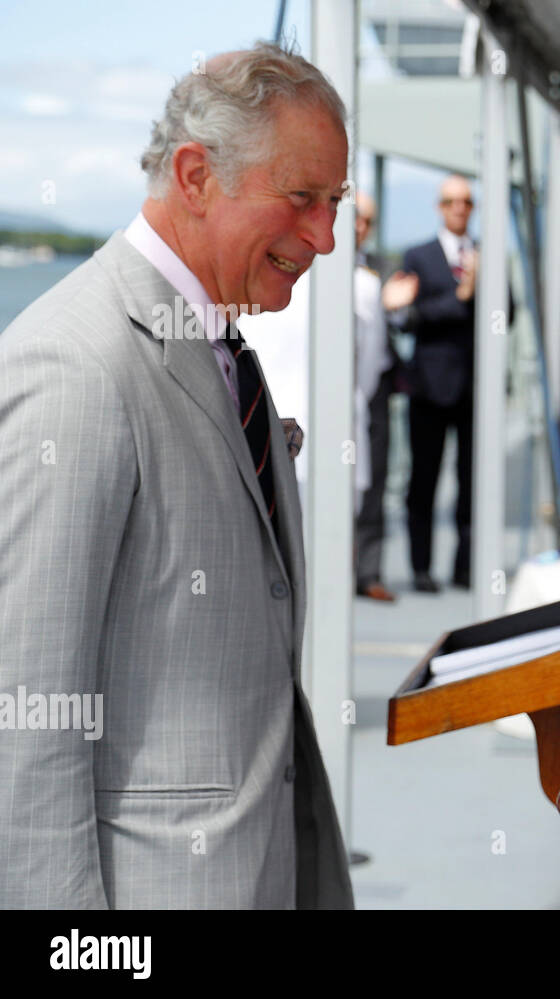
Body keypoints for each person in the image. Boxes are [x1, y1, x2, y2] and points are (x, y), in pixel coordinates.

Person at [0, 42, 353, 908]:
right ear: (196, 175)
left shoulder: (221, 342)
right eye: (302, 198)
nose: (326, 237)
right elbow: (24, 723)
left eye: (335, 203)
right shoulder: (75, 368)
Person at [384, 175, 483, 593]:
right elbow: (411, 316)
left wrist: (480, 289)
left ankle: (465, 567)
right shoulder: (418, 256)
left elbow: (508, 312)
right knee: (422, 479)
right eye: (451, 202)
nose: (459, 209)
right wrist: (463, 295)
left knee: (471, 481)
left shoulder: (484, 255)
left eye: (466, 202)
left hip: (473, 389)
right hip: (428, 386)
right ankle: (420, 567)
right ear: (439, 207)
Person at [353, 192, 398, 601]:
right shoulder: (309, 262)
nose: (358, 226)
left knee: (374, 478)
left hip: (373, 387)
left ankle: (367, 571)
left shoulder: (382, 269)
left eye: (366, 219)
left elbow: (406, 315)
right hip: (326, 389)